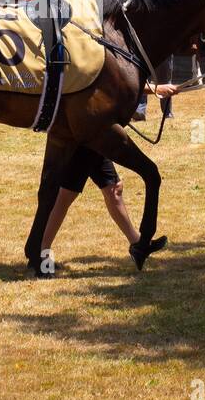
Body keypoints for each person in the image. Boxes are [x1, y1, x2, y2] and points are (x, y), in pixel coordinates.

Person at [38, 80, 180, 272]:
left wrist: (156, 88)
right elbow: (116, 78)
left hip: (99, 133)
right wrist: (155, 89)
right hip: (90, 134)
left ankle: (137, 244)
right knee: (66, 196)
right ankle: (43, 255)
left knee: (113, 189)